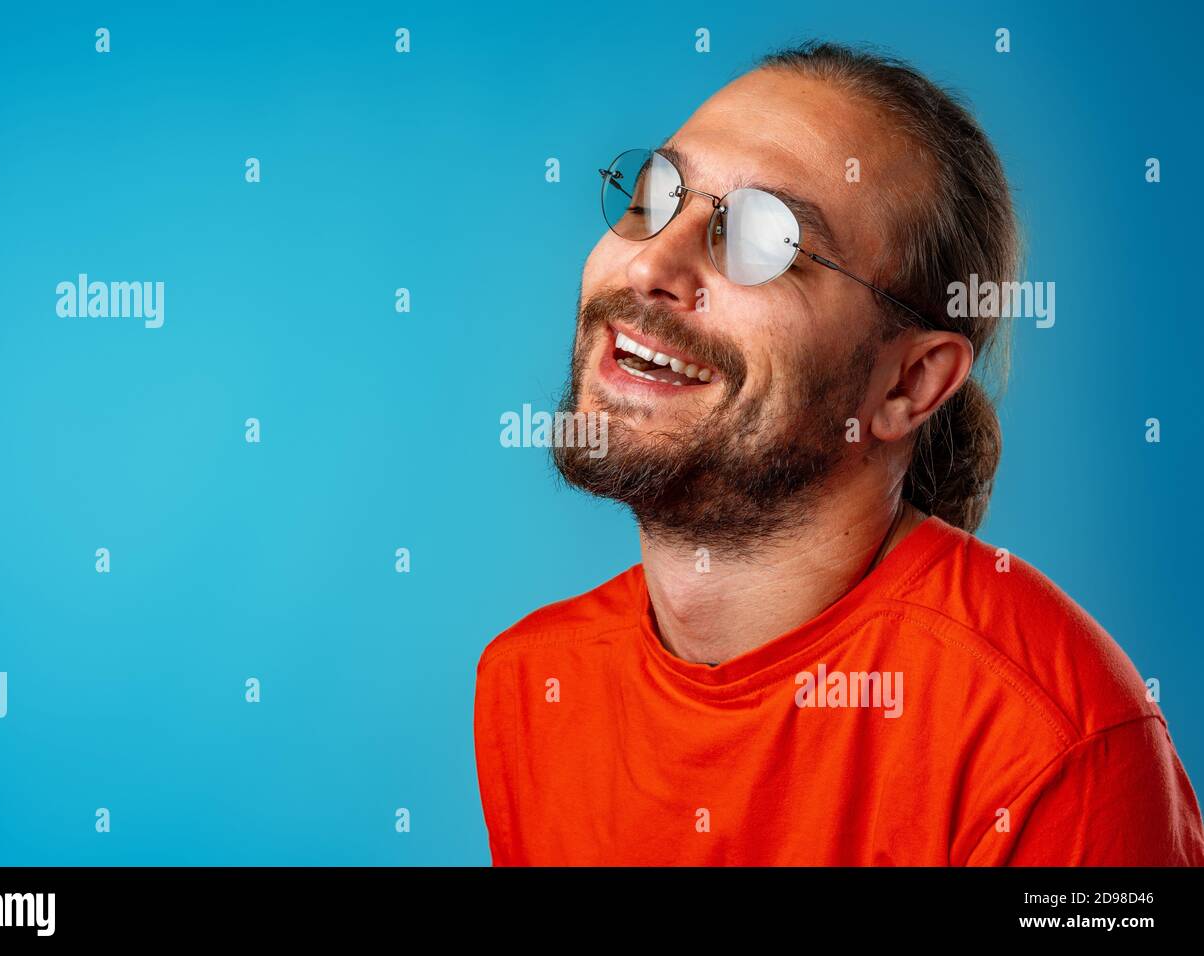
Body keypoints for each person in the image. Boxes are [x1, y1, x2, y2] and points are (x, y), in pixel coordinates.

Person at [472, 41, 1204, 865]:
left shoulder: (1053, 745)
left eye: (762, 241)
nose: (650, 263)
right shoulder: (531, 686)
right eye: (654, 197)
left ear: (910, 383)